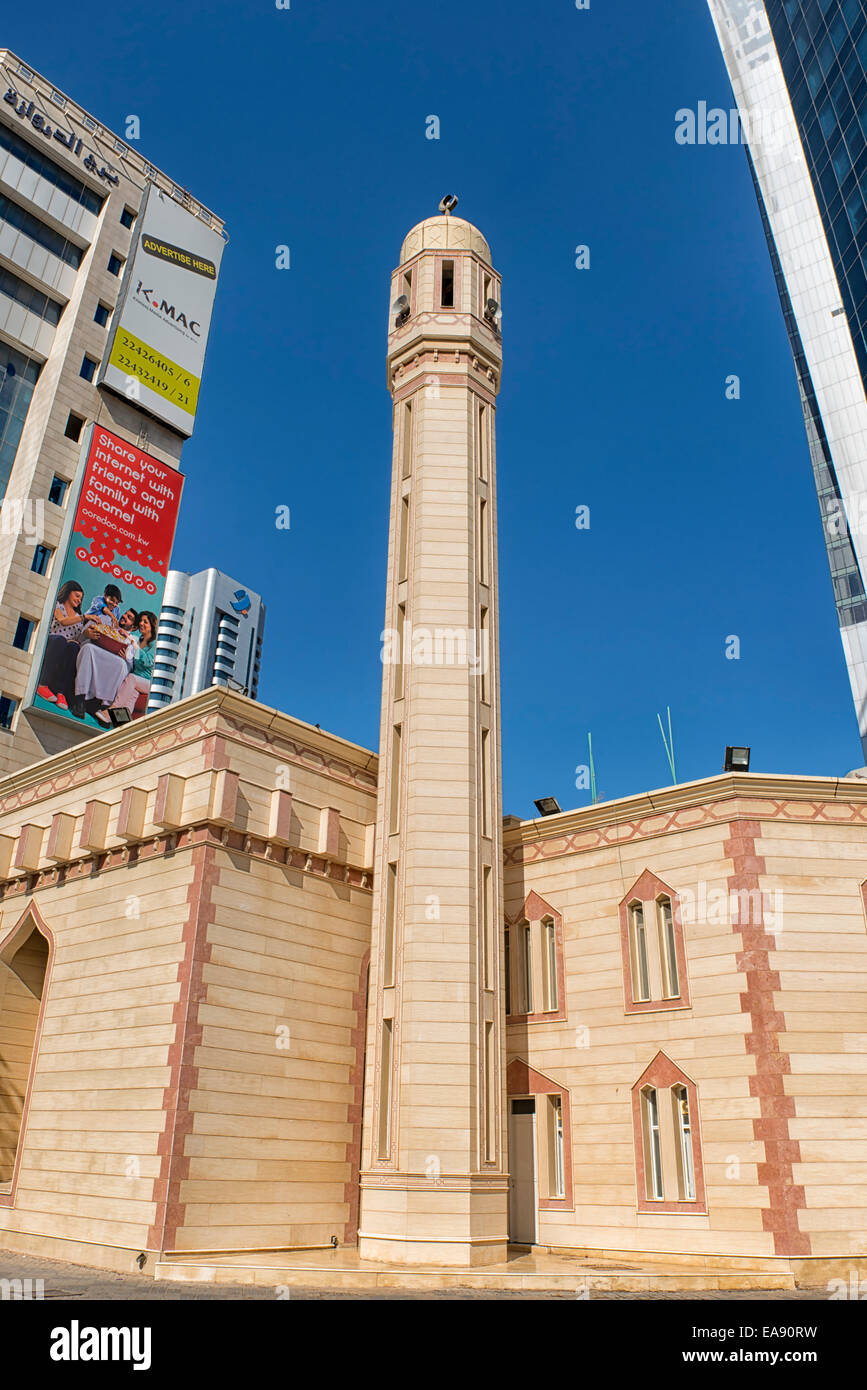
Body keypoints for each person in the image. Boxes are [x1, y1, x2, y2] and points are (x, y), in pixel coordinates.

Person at [72, 607, 139, 726]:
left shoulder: (133, 640)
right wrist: (87, 634)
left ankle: (105, 706)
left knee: (122, 666)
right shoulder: (107, 621)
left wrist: (126, 658)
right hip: (96, 650)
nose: (124, 617)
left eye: (129, 618)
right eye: (125, 614)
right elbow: (82, 637)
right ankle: (80, 698)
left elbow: (132, 662)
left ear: (134, 627)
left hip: (116, 661)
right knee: (88, 649)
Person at [36, 581, 87, 712]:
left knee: (74, 647)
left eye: (80, 598)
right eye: (76, 596)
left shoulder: (77, 617)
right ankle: (42, 684)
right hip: (52, 642)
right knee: (60, 640)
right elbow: (62, 621)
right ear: (68, 593)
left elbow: (76, 639)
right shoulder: (58, 606)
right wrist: (84, 617)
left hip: (65, 648)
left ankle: (60, 692)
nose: (79, 600)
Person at [110, 611, 157, 720]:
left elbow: (148, 662)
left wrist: (134, 645)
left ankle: (111, 710)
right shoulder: (139, 640)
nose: (141, 623)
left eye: (145, 622)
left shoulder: (155, 643)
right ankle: (121, 722)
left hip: (149, 682)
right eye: (140, 621)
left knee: (132, 679)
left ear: (152, 625)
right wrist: (126, 658)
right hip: (138, 680)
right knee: (132, 695)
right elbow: (134, 663)